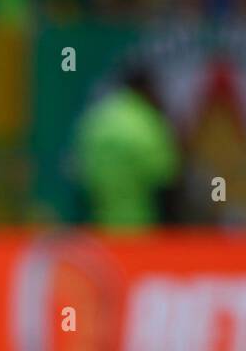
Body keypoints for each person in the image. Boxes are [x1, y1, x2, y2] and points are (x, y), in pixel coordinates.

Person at [73, 59, 180, 228]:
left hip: (100, 225)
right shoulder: (147, 122)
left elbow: (81, 172)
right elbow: (165, 177)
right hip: (139, 227)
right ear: (145, 88)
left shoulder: (97, 118)